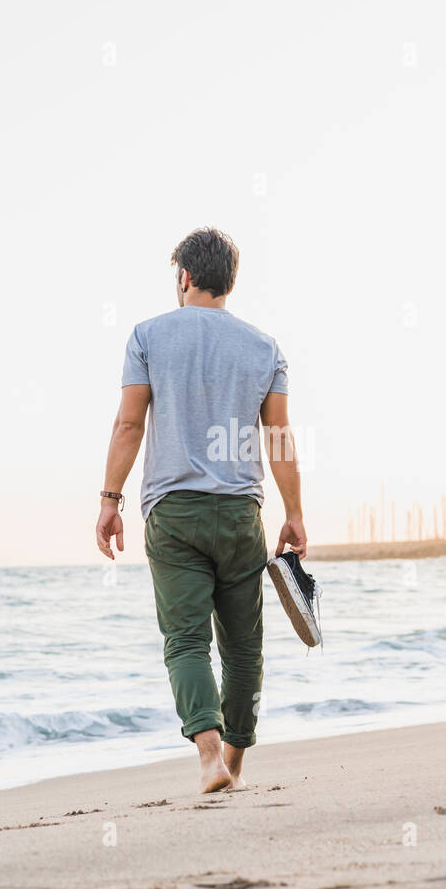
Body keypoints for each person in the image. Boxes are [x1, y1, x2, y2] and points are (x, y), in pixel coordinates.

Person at [96, 227, 307, 793]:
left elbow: (129, 424)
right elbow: (279, 435)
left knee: (186, 641)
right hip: (240, 513)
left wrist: (110, 500)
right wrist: (295, 512)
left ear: (185, 277)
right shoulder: (263, 347)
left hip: (173, 511)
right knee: (243, 649)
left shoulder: (147, 335)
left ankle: (210, 758)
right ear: (228, 282)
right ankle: (235, 765)